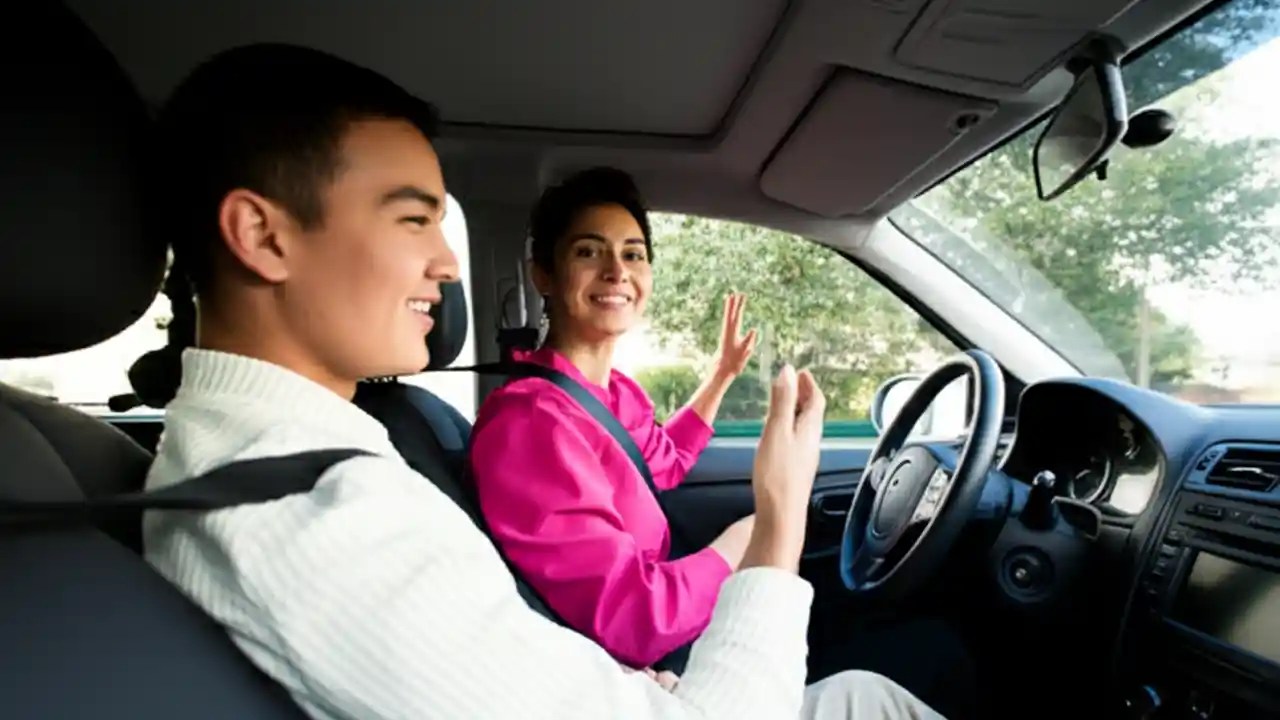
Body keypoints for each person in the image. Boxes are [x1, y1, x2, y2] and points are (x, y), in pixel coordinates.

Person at [141, 42, 944, 720]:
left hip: (634, 680)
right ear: (262, 236)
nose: (448, 262)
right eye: (413, 218)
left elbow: (652, 467)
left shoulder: (324, 457)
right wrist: (774, 531)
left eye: (634, 254)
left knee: (868, 690)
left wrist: (723, 388)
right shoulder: (304, 514)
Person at [469, 167, 758, 671]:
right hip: (617, 665)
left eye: (633, 254)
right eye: (588, 251)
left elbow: (664, 466)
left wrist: (721, 375)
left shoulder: (611, 393)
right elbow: (635, 619)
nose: (617, 270)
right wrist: (754, 536)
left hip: (655, 647)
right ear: (544, 274)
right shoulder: (532, 425)